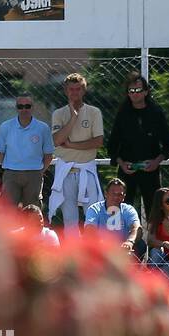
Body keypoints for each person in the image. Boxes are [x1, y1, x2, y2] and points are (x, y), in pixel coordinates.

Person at [107, 72, 169, 223]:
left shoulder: (156, 113)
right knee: (121, 208)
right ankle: (121, 243)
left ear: (146, 91)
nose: (135, 94)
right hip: (127, 169)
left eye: (138, 90)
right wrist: (122, 163)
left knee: (155, 209)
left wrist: (156, 161)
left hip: (150, 169)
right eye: (131, 91)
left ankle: (155, 244)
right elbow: (112, 144)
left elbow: (168, 143)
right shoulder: (123, 113)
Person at [48, 72, 104, 236]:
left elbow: (97, 142)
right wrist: (73, 118)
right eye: (71, 89)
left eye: (78, 89)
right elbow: (57, 140)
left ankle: (94, 255)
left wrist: (71, 144)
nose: (74, 93)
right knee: (70, 220)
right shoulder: (59, 114)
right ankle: (73, 258)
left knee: (93, 217)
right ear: (66, 91)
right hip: (66, 171)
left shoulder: (94, 112)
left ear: (84, 91)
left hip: (87, 170)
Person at [0, 93, 53, 209]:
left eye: (27, 106)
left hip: (34, 174)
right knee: (7, 210)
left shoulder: (43, 128)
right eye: (20, 106)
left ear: (33, 107)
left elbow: (48, 155)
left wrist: (39, 171)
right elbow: (0, 152)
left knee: (33, 211)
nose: (24, 109)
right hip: (11, 174)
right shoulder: (5, 127)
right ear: (16, 108)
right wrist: (11, 167)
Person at [83, 177, 140, 253]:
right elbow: (89, 229)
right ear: (106, 194)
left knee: (141, 244)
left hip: (124, 247)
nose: (116, 197)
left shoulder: (128, 210)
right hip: (99, 246)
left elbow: (136, 227)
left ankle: (134, 264)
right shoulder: (94, 209)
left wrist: (130, 241)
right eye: (113, 194)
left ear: (124, 197)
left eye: (120, 194)